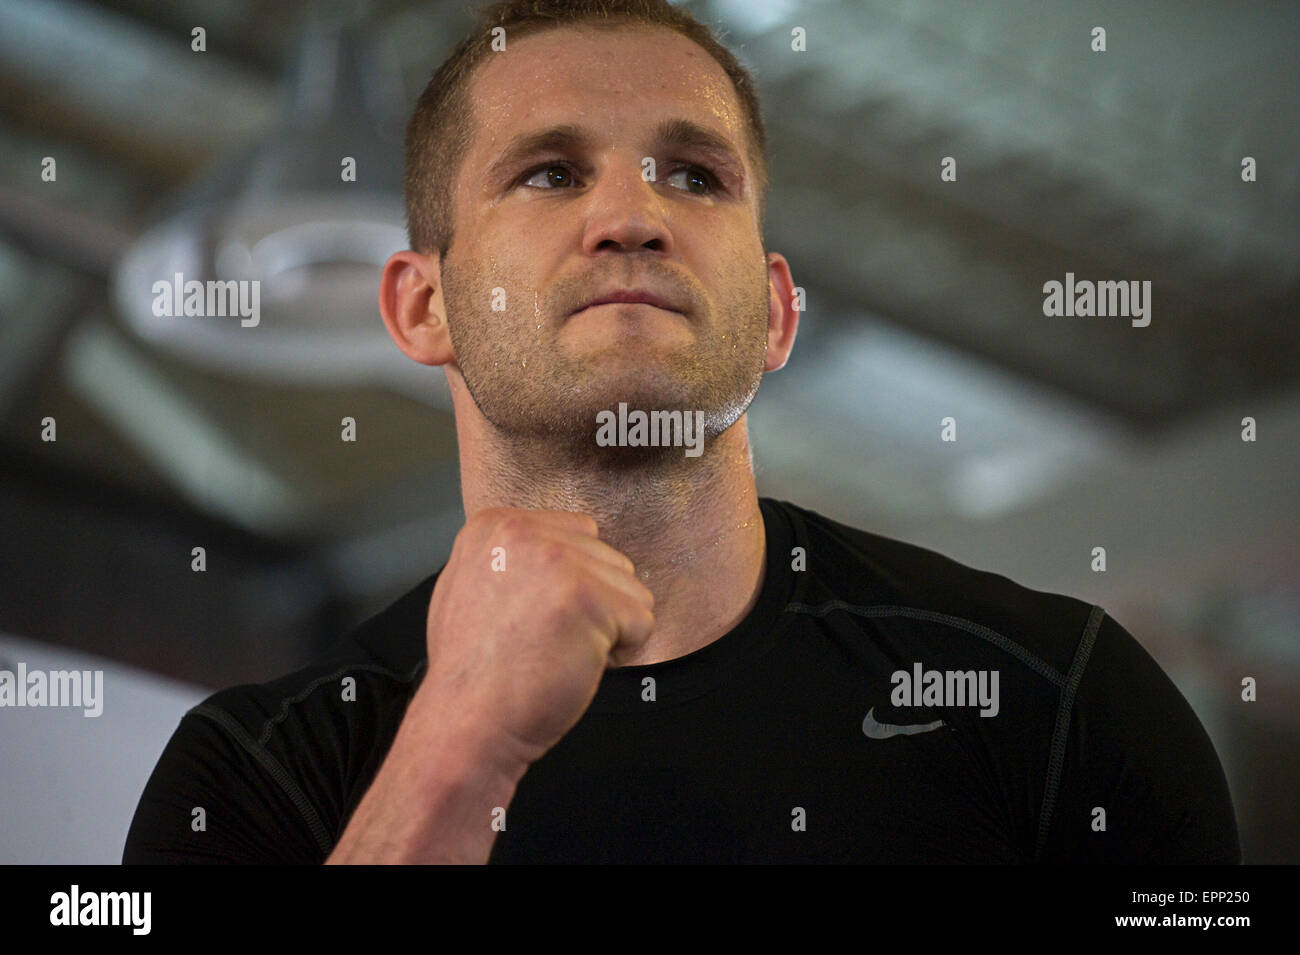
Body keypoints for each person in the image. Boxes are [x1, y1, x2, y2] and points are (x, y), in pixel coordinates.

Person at [123, 0, 1240, 864]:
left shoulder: (1056, 699)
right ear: (424, 305)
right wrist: (456, 753)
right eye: (551, 172)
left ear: (777, 313)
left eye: (695, 175)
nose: (632, 217)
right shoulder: (262, 771)